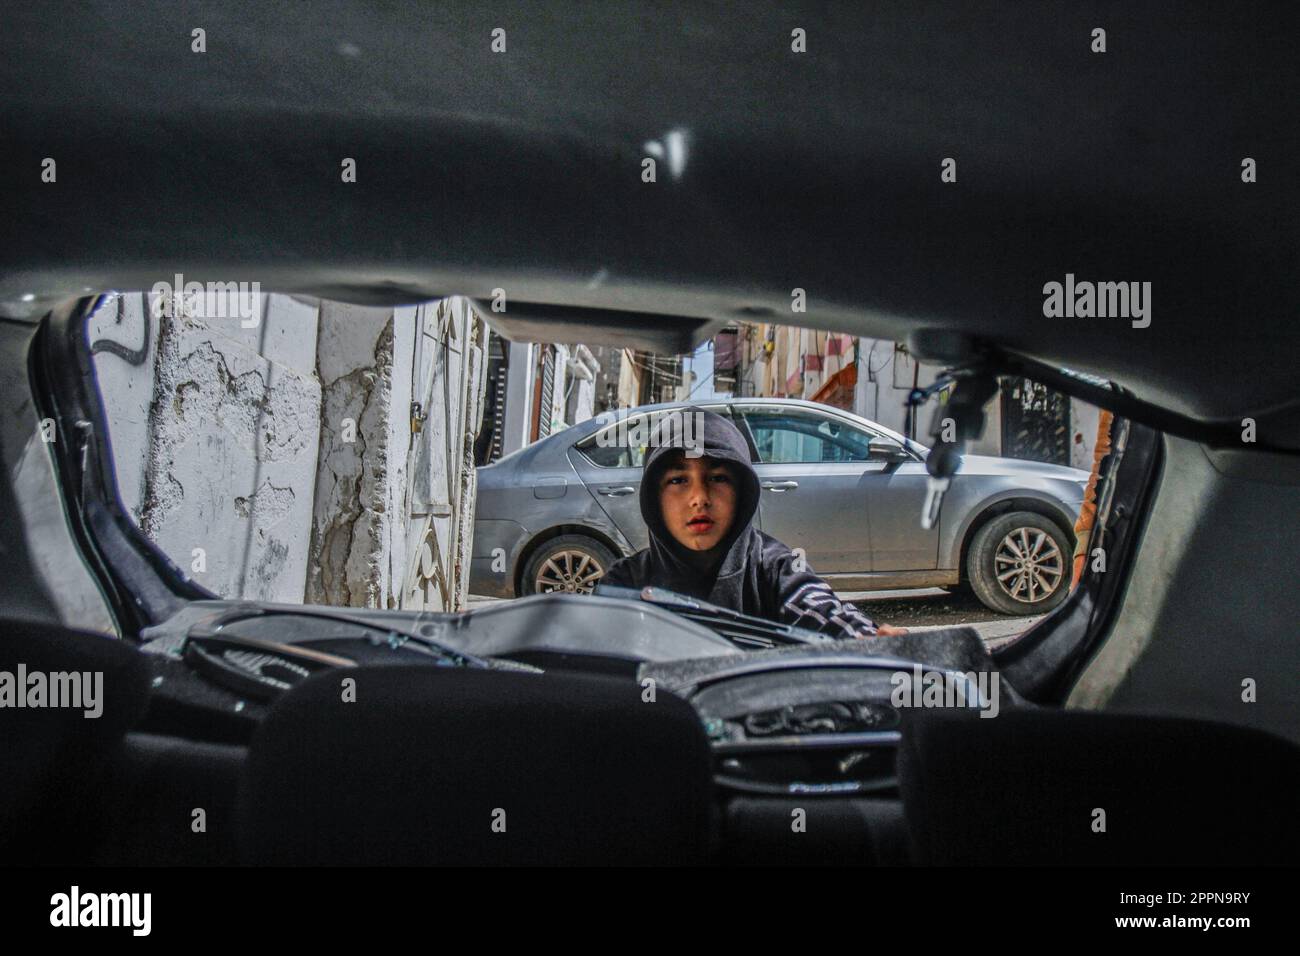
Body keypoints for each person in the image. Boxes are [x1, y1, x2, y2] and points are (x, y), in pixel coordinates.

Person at [600, 408, 906, 639]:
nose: (699, 498)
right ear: (654, 496)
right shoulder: (626, 584)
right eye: (678, 480)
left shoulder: (776, 569)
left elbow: (820, 608)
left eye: (718, 478)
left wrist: (867, 640)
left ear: (742, 491)